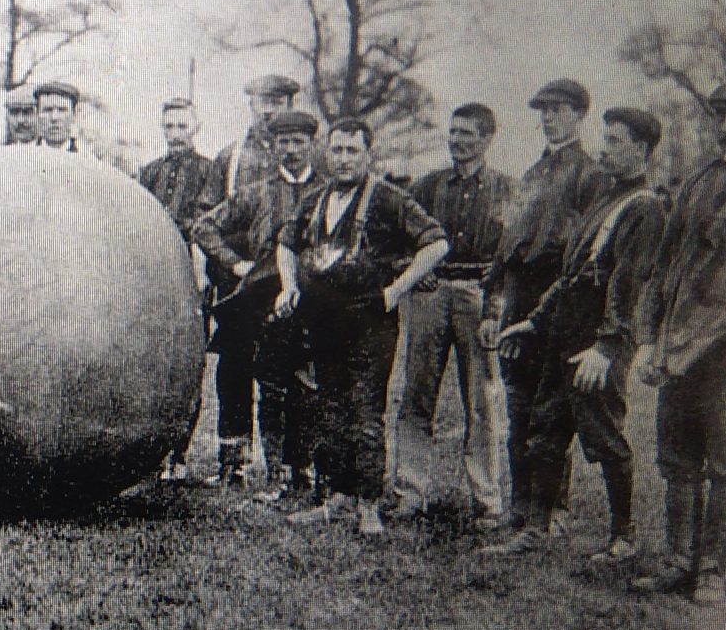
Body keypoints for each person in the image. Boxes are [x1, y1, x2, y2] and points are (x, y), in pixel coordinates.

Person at [485, 107, 665, 560]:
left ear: (640, 150)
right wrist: (536, 321)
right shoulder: (604, 197)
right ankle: (536, 528)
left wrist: (606, 348)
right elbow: (572, 275)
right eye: (603, 139)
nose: (603, 149)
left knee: (605, 439)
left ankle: (623, 538)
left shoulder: (645, 208)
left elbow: (631, 284)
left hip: (598, 346)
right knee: (545, 431)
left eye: (614, 142)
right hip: (563, 338)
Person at [275, 117, 448, 536]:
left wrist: (397, 290)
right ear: (326, 152)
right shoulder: (315, 199)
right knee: (329, 408)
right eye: (337, 150)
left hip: (370, 322)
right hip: (323, 321)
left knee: (366, 411)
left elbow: (438, 242)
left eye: (353, 150)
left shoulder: (389, 198)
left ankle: (369, 503)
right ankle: (335, 498)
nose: (344, 159)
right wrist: (289, 287)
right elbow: (285, 242)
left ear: (369, 154)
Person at [481, 79, 611, 532]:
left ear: (579, 115)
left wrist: (556, 304)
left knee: (550, 410)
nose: (548, 118)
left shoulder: (590, 174)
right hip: (519, 298)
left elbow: (588, 251)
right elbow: (507, 242)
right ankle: (518, 506)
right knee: (518, 406)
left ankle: (551, 510)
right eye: (543, 110)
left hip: (555, 301)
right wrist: (496, 301)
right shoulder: (534, 173)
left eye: (557, 110)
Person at [631, 83, 726, 605]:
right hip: (677, 352)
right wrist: (651, 340)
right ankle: (677, 560)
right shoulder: (699, 181)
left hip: (723, 358)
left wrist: (688, 350)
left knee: (725, 463)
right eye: (720, 115)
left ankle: (712, 569)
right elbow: (664, 269)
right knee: (675, 457)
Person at [390, 103, 512, 529]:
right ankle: (409, 491)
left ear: (487, 139)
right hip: (431, 294)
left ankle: (487, 499)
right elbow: (396, 233)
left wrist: (494, 307)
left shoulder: (504, 190)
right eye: (454, 132)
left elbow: (509, 257)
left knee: (479, 401)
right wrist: (413, 272)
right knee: (417, 394)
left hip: (476, 297)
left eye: (468, 134)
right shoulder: (427, 186)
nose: (458, 140)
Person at [191, 109, 321, 498]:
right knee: (238, 376)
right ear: (273, 146)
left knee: (304, 387)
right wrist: (236, 263)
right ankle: (236, 464)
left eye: (299, 142)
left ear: (312, 145)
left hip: (313, 304)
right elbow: (204, 227)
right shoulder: (256, 192)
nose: (291, 150)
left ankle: (304, 469)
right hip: (259, 301)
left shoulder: (329, 192)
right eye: (284, 142)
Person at [206, 75, 301, 203]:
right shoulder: (230, 157)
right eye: (263, 102)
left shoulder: (303, 155)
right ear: (251, 105)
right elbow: (208, 209)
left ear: (290, 107)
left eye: (276, 103)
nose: (268, 110)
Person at [139, 97, 214, 241]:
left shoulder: (209, 170)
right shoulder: (150, 171)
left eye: (182, 126)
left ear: (196, 128)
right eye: (169, 126)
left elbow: (208, 222)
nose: (175, 135)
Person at [33, 82, 83, 153]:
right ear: (36, 114)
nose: (54, 118)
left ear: (74, 115)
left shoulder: (86, 159)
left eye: (62, 110)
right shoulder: (25, 156)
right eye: (47, 110)